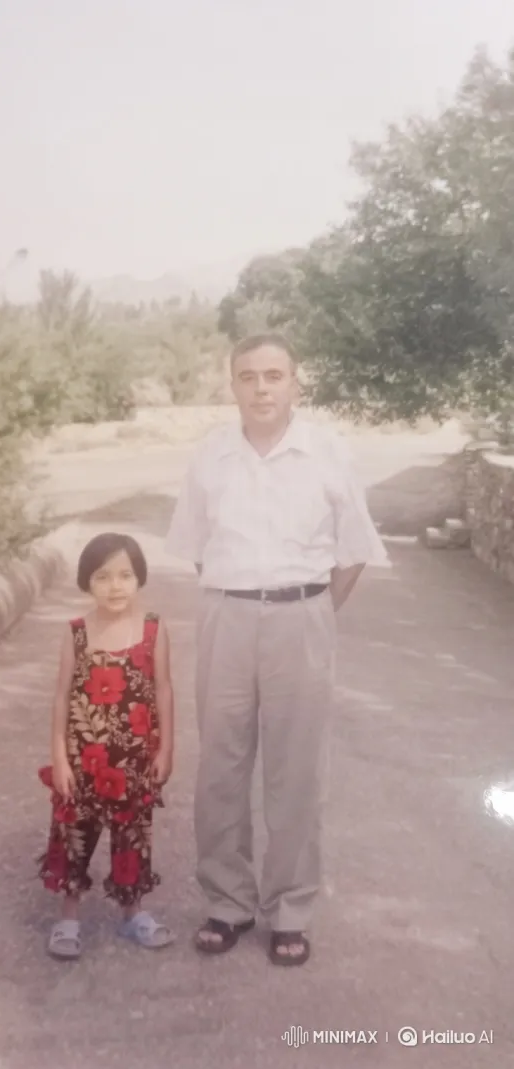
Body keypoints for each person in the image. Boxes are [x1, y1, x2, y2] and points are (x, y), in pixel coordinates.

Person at [165, 333, 390, 967]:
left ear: (295, 381)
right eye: (248, 376)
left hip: (303, 617)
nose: (261, 388)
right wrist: (243, 598)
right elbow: (200, 547)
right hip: (227, 616)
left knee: (297, 772)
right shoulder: (210, 456)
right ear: (232, 384)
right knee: (222, 768)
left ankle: (290, 909)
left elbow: (354, 550)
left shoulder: (327, 452)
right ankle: (227, 902)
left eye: (273, 375)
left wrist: (309, 608)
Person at [38, 532, 175, 959]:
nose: (115, 586)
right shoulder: (77, 633)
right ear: (86, 581)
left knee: (132, 835)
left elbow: (164, 689)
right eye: (102, 576)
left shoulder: (153, 629)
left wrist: (166, 748)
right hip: (83, 760)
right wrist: (59, 757)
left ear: (139, 578)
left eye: (125, 575)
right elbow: (62, 696)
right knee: (74, 834)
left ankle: (133, 913)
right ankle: (69, 916)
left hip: (135, 761)